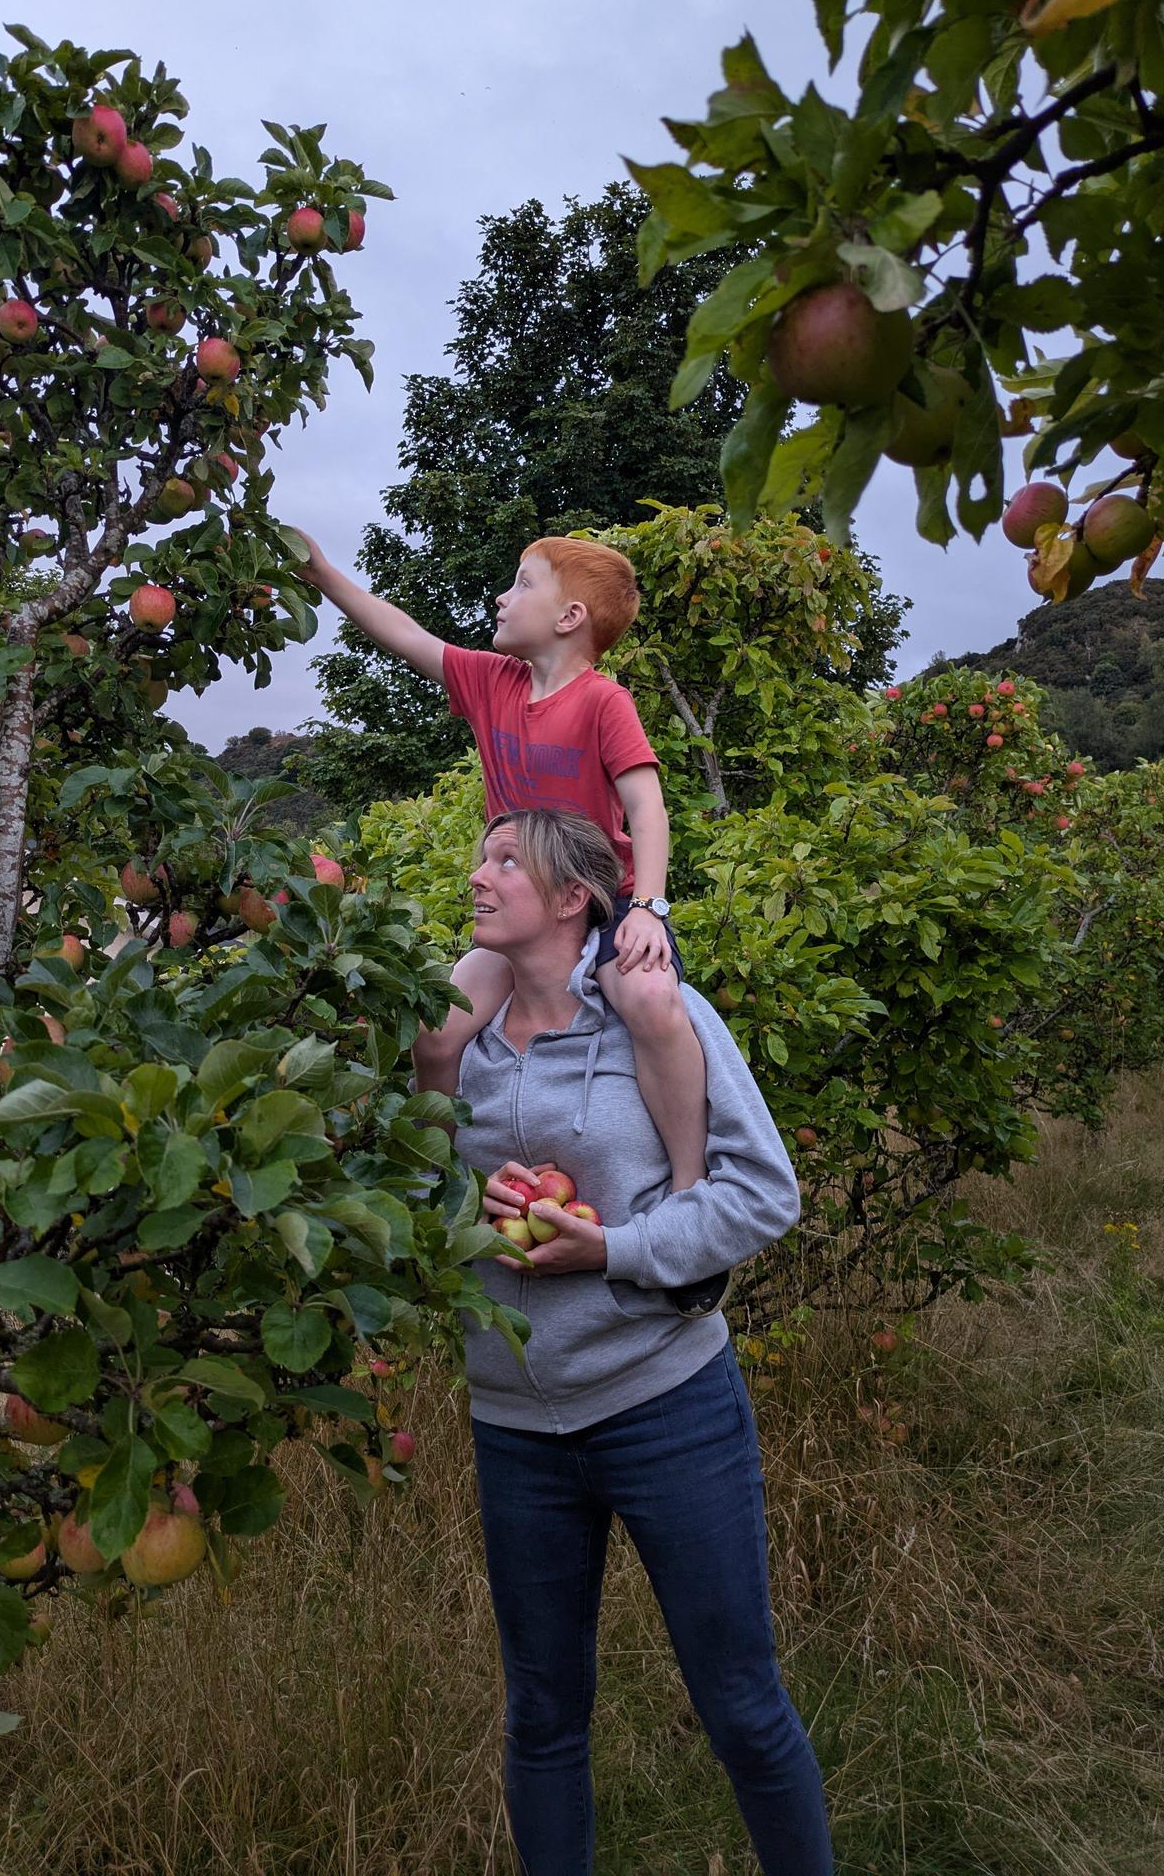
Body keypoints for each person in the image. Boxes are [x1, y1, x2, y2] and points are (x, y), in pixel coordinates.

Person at [454, 806, 834, 1876]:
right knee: (541, 1714)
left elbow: (762, 1192)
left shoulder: (653, 1011)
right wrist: (468, 1208)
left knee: (739, 1701)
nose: (477, 877)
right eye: (479, 858)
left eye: (504, 862)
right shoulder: (456, 1037)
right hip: (515, 1424)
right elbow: (402, 1190)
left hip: (665, 1406)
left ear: (571, 898)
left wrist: (611, 1249)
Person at [295, 529, 708, 1195]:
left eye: (522, 584)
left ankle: (690, 1182)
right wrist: (321, 573)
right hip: (523, 907)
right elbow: (404, 635)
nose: (501, 596)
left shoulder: (603, 701)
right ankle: (433, 1183)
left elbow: (647, 808)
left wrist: (649, 910)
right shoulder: (493, 682)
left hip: (603, 903)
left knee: (652, 1001)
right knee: (436, 1034)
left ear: (569, 617)